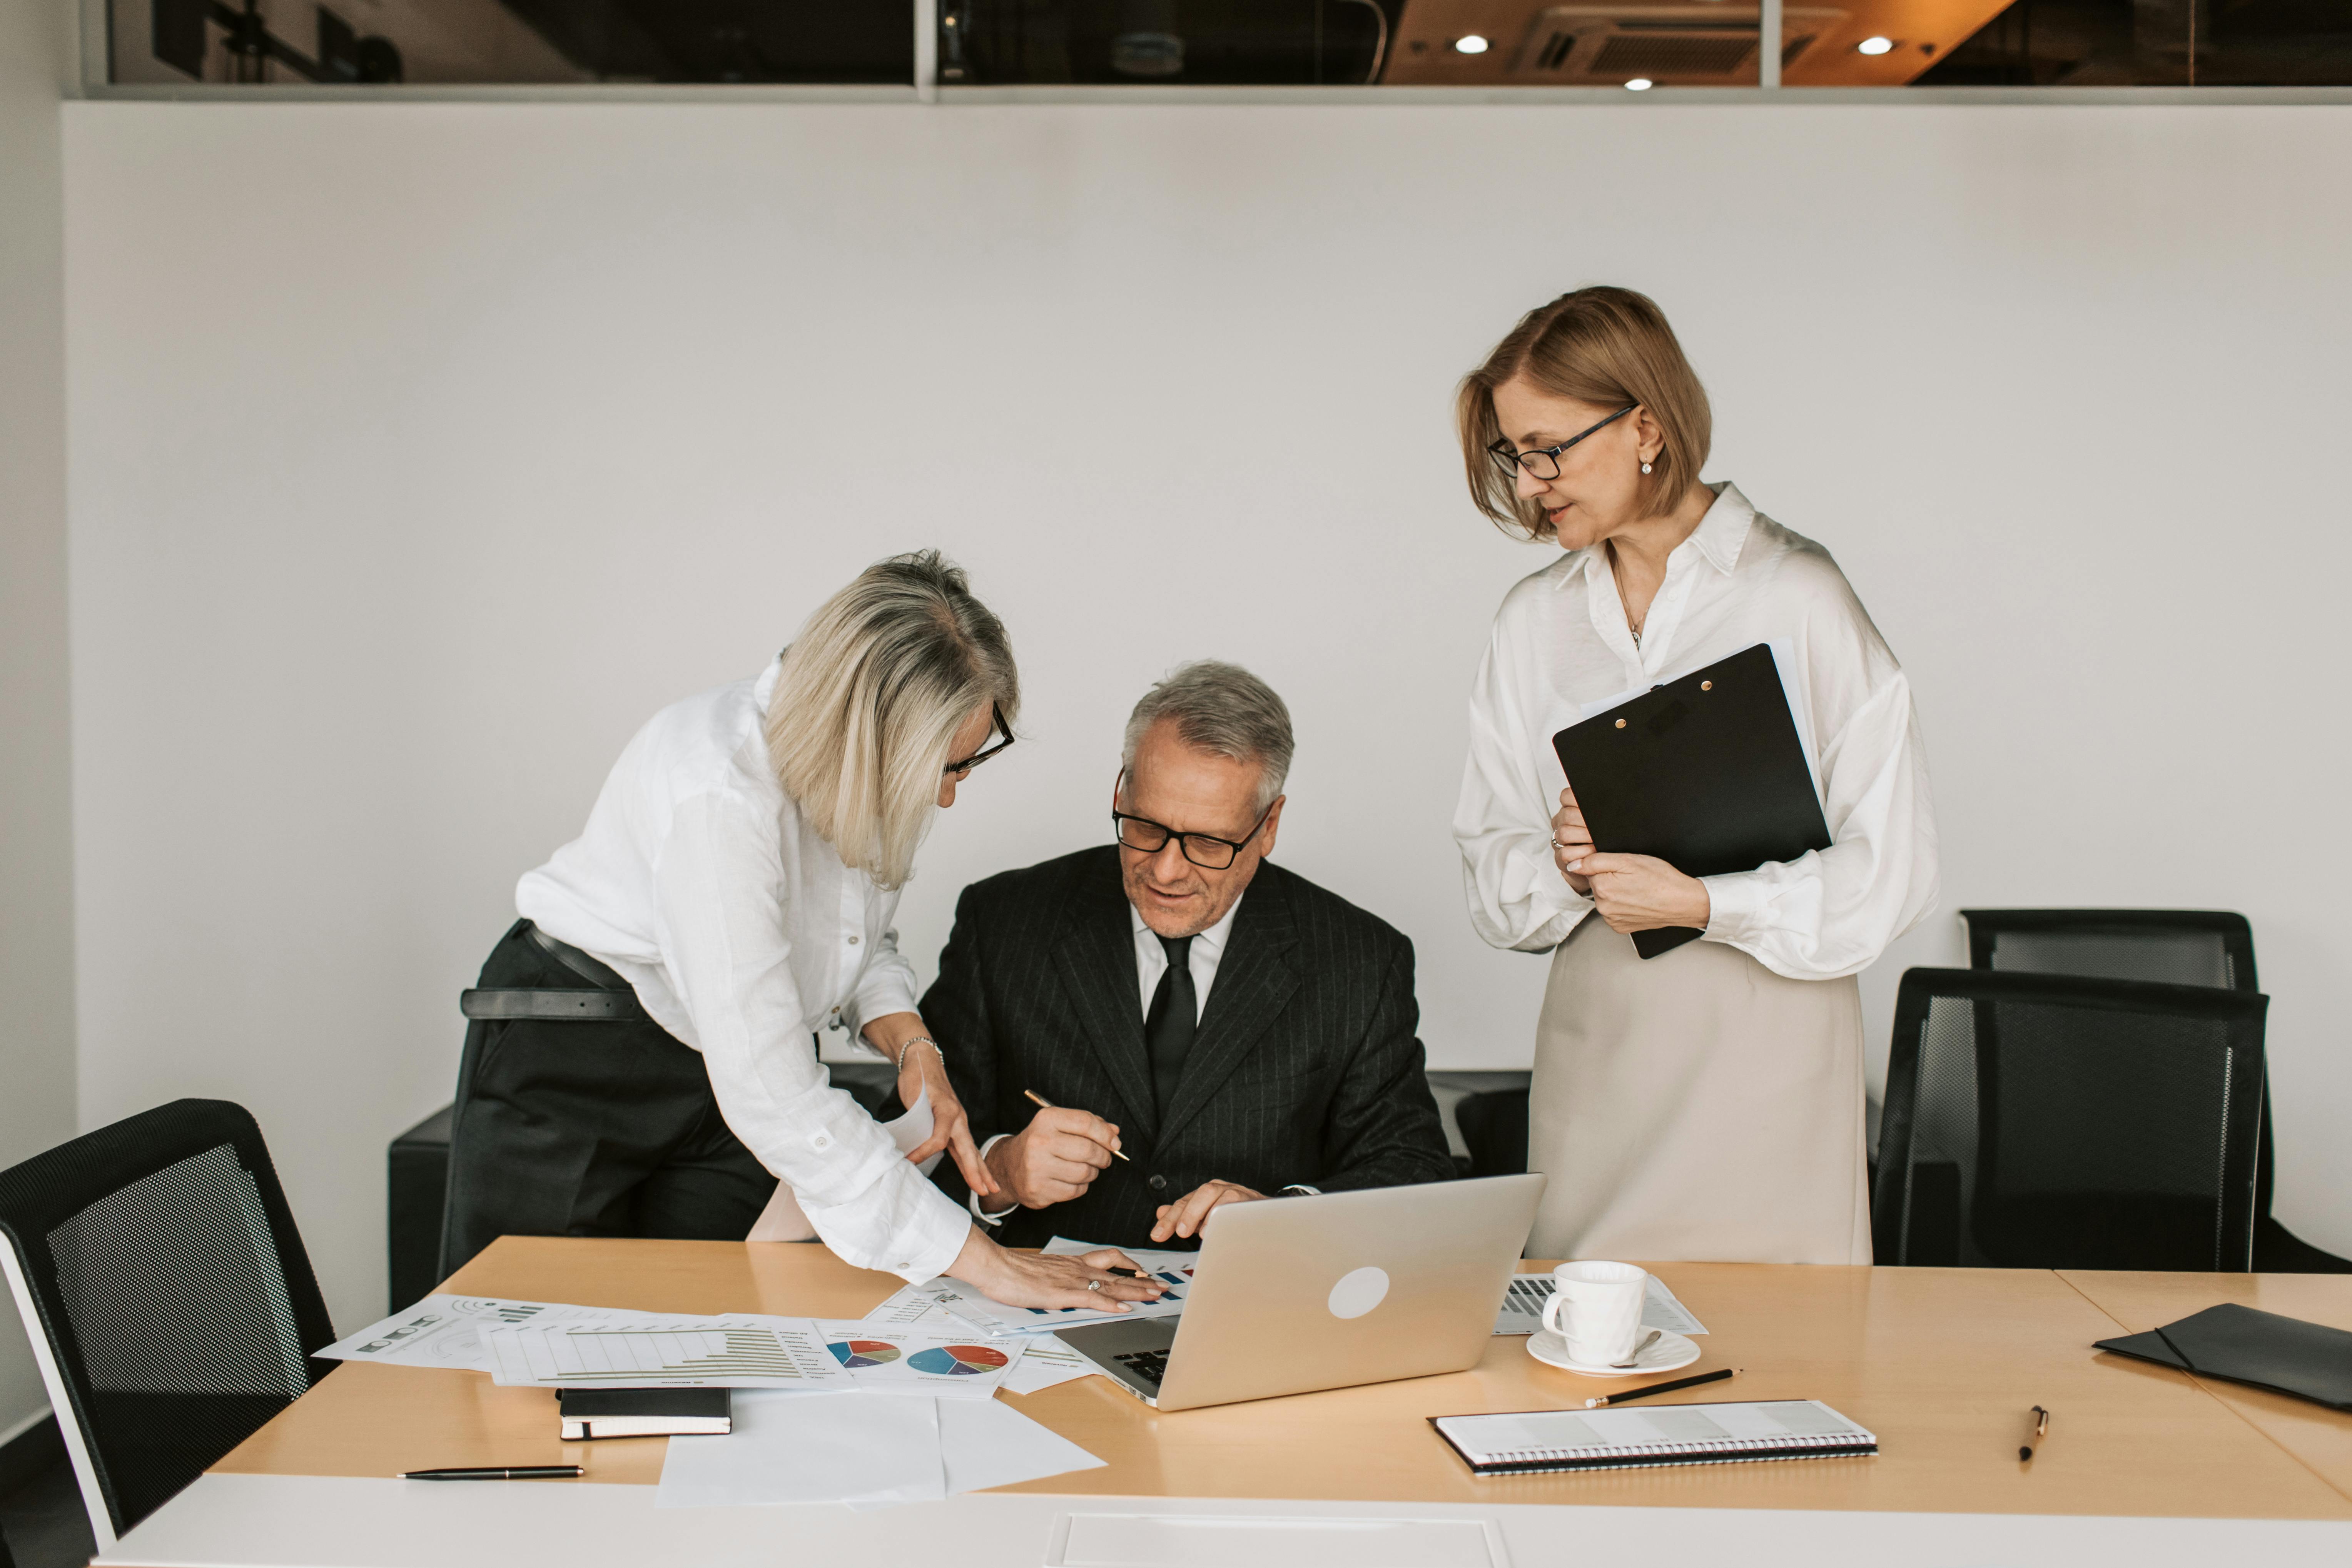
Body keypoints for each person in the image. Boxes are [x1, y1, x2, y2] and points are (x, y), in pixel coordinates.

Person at [441, 551, 1163, 1314]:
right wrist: (990, 1264)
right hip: (578, 1056)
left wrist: (913, 1046)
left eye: (966, 763)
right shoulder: (718, 798)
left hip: (711, 1072)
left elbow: (849, 942)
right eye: (943, 768)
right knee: (516, 1329)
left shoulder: (848, 770)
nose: (947, 797)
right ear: (867, 740)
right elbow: (772, 1092)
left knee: (717, 1326)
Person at [1451, 287, 1939, 1266]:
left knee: (1778, 1338)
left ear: (1644, 426)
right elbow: (1492, 880)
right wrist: (1567, 863)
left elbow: (1891, 873)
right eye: (1514, 455)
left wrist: (1703, 903)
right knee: (1580, 1335)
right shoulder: (1532, 621)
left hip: (1768, 1055)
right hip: (1600, 1052)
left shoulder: (1798, 596)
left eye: (1548, 449)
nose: (1531, 483)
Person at [918, 661, 1457, 1250]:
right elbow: (903, 1152)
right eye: (1146, 828)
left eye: (1208, 842)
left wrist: (1285, 1217)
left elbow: (1412, 1171)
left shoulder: (1361, 961)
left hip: (1250, 1295)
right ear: (1121, 792)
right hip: (1039, 1291)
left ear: (1269, 826)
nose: (1167, 871)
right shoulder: (1003, 922)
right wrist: (1000, 1173)